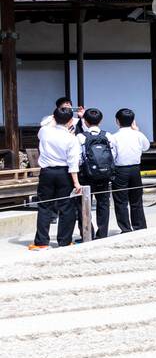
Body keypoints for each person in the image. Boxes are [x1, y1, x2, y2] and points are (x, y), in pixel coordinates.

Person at [29, 105, 82, 250]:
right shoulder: (71, 138)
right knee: (66, 207)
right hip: (65, 173)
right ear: (71, 121)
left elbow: (47, 123)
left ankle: (41, 242)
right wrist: (76, 183)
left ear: (54, 117)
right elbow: (73, 163)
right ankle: (65, 241)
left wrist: (54, 117)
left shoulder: (44, 132)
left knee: (44, 206)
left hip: (46, 172)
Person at [76, 108, 115, 240]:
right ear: (101, 120)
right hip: (104, 174)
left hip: (86, 175)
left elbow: (78, 159)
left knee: (84, 205)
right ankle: (102, 234)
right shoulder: (108, 135)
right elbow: (113, 155)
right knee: (103, 203)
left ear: (85, 121)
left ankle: (88, 234)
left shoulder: (80, 137)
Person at [110, 108, 150, 232]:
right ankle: (139, 226)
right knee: (136, 199)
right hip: (135, 169)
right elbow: (146, 147)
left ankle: (125, 228)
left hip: (120, 169)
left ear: (117, 121)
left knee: (120, 201)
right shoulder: (138, 134)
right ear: (133, 121)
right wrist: (137, 131)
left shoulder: (114, 137)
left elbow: (112, 155)